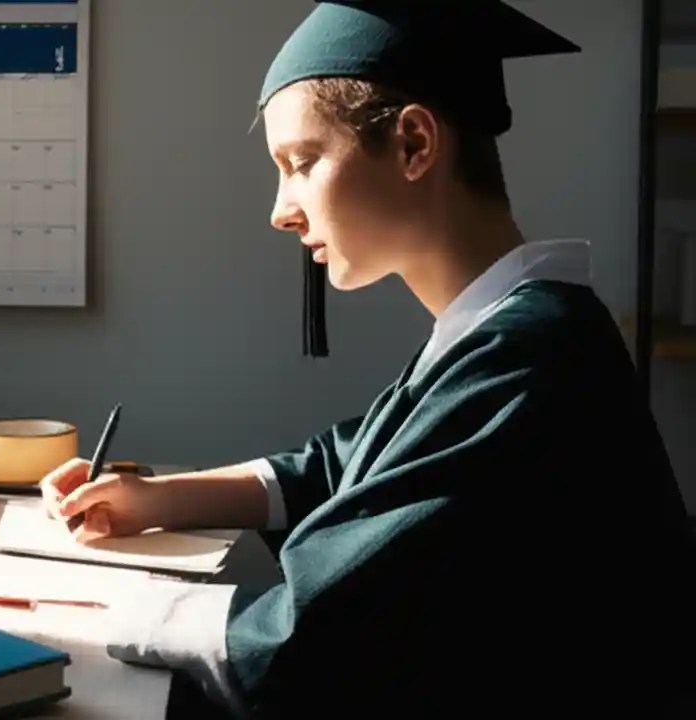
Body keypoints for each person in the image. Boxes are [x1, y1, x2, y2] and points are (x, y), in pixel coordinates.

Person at [39, 1, 694, 716]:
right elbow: (347, 464)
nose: (281, 210)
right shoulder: (504, 331)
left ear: (414, 143)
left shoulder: (534, 359)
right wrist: (162, 499)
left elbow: (314, 639)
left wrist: (106, 610)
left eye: (300, 163)